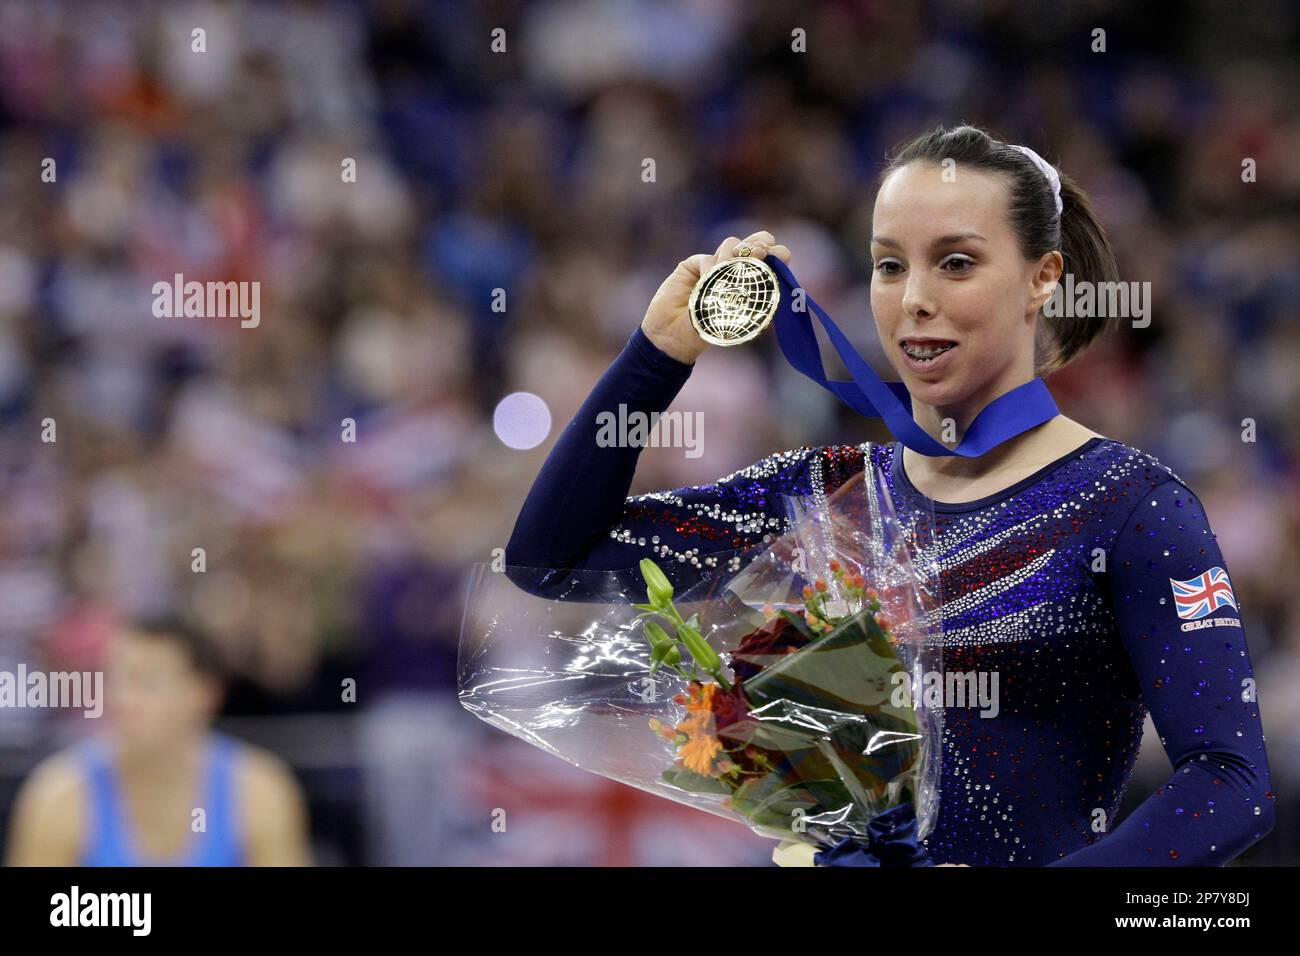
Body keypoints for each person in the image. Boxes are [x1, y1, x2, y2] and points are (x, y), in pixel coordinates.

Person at [503, 125, 1276, 866]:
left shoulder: (1132, 506)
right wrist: (657, 356)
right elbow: (552, 559)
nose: (913, 299)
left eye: (957, 263)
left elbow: (1230, 783)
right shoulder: (827, 493)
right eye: (890, 266)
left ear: (1043, 277)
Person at [5, 617, 311, 866]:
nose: (122, 699)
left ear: (204, 693)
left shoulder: (257, 790)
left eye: (146, 682)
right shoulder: (59, 795)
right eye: (115, 679)